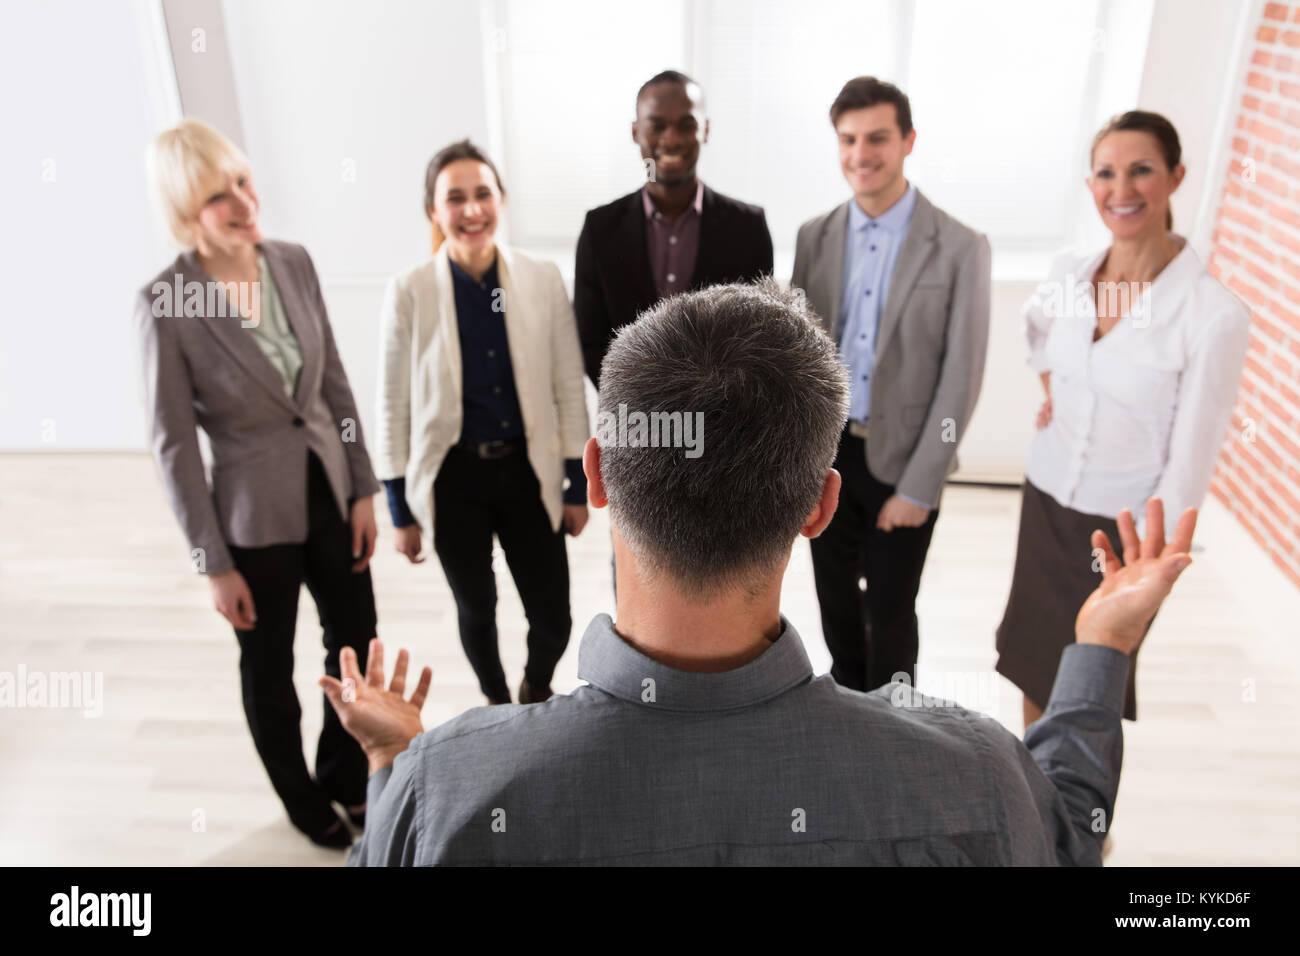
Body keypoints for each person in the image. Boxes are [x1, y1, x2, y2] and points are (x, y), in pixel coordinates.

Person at [324, 279, 1198, 866]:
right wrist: (1100, 647)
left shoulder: (450, 791)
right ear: (821, 508)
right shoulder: (972, 777)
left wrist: (391, 764)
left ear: (594, 473)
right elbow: (1067, 836)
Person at [135, 118, 381, 849]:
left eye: (243, 181)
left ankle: (344, 772)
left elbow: (332, 378)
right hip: (252, 517)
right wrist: (213, 563)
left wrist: (363, 484)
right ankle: (302, 799)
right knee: (269, 667)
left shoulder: (292, 261)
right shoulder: (166, 302)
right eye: (219, 195)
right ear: (186, 213)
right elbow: (173, 444)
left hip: (329, 490)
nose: (245, 201)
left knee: (356, 639)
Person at [996, 110, 1250, 728]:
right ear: (1091, 186)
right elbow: (1035, 330)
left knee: (1090, 687)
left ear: (1175, 177)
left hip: (1122, 532)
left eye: (1142, 171)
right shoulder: (1069, 273)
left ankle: (1084, 821)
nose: (1122, 189)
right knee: (1035, 665)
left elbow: (1191, 463)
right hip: (1047, 501)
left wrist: (1148, 568)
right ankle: (1042, 806)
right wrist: (1057, 385)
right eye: (1106, 173)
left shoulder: (1212, 314)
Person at [791, 77, 990, 693]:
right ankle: (849, 702)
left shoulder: (960, 246)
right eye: (847, 140)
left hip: (903, 461)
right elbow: (798, 354)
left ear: (907, 140)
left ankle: (896, 722)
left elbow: (963, 373)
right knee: (833, 601)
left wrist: (921, 484)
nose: (861, 154)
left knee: (891, 608)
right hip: (827, 455)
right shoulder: (814, 236)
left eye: (877, 137)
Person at [374, 140, 590, 707]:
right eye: (455, 198)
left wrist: (576, 483)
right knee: (476, 608)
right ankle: (495, 701)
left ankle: (536, 685)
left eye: (482, 194)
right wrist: (399, 508)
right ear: (433, 211)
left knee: (554, 613)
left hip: (527, 470)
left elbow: (569, 383)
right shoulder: (410, 289)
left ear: (501, 200)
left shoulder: (543, 278)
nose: (471, 211)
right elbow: (391, 402)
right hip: (453, 478)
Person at [574, 69, 774, 389]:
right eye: (657, 126)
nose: (671, 139)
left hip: (722, 425)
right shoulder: (600, 229)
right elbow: (591, 341)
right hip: (631, 419)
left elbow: (757, 341)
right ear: (635, 132)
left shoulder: (748, 228)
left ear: (705, 130)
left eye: (686, 125)